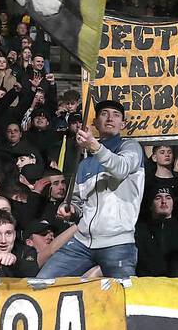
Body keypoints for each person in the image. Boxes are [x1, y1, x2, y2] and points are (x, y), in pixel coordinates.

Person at [36, 100, 144, 279]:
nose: (110, 118)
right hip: (82, 241)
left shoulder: (130, 148)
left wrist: (95, 147)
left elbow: (121, 168)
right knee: (43, 282)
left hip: (117, 244)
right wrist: (70, 209)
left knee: (124, 298)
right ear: (95, 123)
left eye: (116, 115)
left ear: (123, 124)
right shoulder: (85, 164)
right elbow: (77, 202)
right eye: (104, 114)